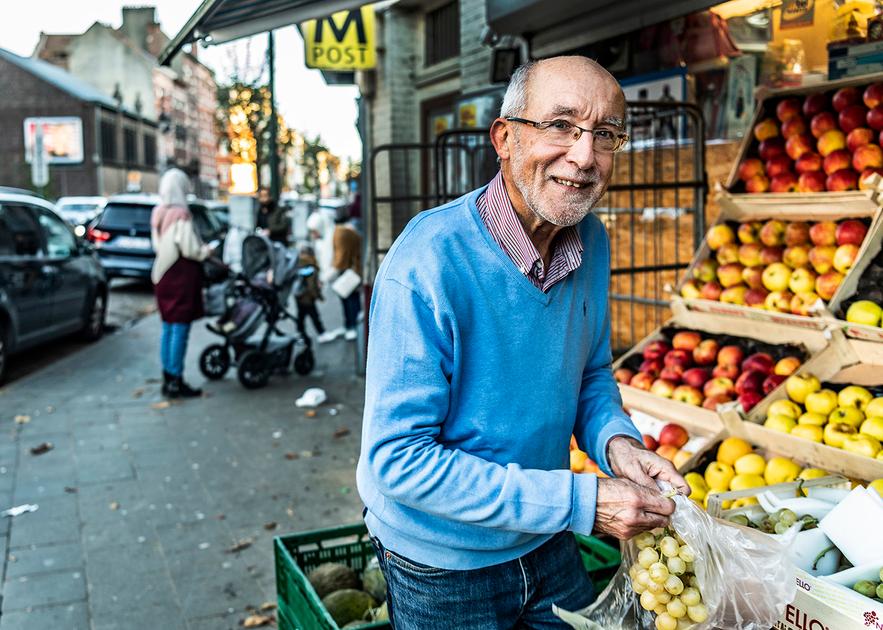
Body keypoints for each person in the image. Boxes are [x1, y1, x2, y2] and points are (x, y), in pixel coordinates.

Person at [357, 56, 690, 629]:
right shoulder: (428, 262)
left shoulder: (591, 240)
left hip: (546, 534)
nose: (584, 157)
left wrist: (618, 445)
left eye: (605, 135)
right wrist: (582, 503)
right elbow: (396, 462)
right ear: (505, 138)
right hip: (444, 566)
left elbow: (589, 373)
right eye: (560, 126)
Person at [151, 168, 212, 398]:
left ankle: (168, 376)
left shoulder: (157, 213)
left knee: (167, 327)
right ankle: (177, 379)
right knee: (180, 329)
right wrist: (206, 251)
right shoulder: (181, 214)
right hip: (180, 277)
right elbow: (190, 249)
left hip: (161, 274)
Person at [331, 213, 362, 341]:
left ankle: (351, 326)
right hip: (354, 269)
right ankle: (352, 325)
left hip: (347, 270)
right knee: (352, 298)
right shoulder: (351, 231)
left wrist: (332, 271)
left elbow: (340, 255)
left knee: (348, 299)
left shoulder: (340, 232)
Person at [294, 244, 334, 342]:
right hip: (307, 296)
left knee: (301, 316)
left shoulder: (298, 263)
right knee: (314, 315)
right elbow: (311, 285)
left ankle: (300, 335)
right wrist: (319, 296)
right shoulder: (310, 265)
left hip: (298, 295)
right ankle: (321, 334)